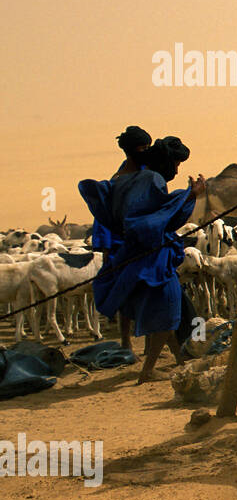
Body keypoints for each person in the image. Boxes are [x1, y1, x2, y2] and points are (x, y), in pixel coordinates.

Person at [78, 137, 206, 381]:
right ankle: (148, 371)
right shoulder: (152, 180)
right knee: (168, 307)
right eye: (176, 164)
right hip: (151, 258)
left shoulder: (126, 179)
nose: (177, 169)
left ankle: (179, 358)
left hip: (134, 254)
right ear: (167, 162)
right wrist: (191, 195)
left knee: (167, 307)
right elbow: (160, 217)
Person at [93, 126, 153, 346]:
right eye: (144, 147)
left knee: (148, 292)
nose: (147, 151)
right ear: (135, 149)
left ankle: (147, 344)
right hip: (124, 246)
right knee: (125, 295)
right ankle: (127, 343)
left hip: (144, 244)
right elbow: (105, 218)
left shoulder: (147, 175)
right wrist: (107, 249)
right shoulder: (119, 180)